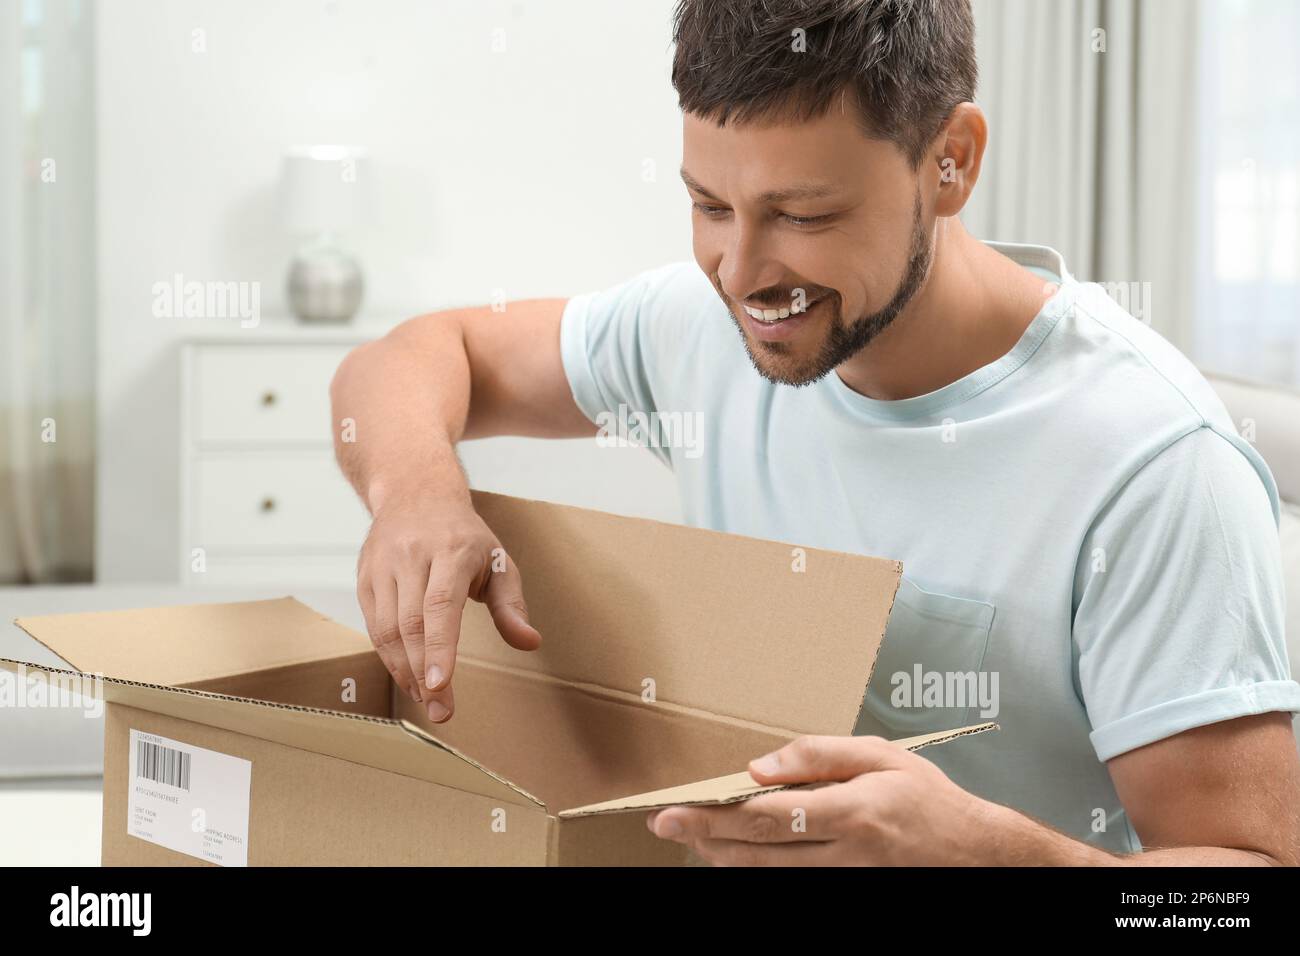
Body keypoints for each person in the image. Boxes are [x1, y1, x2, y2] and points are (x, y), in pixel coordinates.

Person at [330, 0, 1300, 865]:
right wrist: (414, 493)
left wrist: (987, 854)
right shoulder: (702, 327)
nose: (740, 270)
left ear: (951, 161)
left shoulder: (1152, 466)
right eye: (708, 205)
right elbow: (412, 356)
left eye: (803, 214)